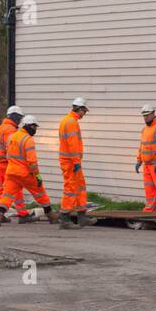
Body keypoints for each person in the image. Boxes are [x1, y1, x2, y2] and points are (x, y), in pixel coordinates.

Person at [0, 115, 52, 226]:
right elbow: (32, 163)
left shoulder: (12, 137)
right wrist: (38, 177)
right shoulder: (28, 140)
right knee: (40, 193)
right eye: (34, 127)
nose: (35, 130)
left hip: (11, 172)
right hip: (25, 174)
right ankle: (51, 215)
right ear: (29, 126)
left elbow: (8, 155)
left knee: (7, 195)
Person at [0, 105, 30, 222]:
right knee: (14, 189)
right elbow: (12, 149)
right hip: (6, 164)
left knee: (4, 190)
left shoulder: (0, 128)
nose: (20, 121)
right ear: (15, 117)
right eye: (19, 118)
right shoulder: (10, 130)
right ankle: (22, 215)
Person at [59, 97, 91, 227]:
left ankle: (82, 215)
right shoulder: (71, 122)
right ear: (80, 109)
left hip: (71, 160)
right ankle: (65, 218)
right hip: (71, 162)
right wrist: (76, 162)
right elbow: (73, 145)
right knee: (71, 188)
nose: (85, 114)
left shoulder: (67, 120)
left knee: (79, 186)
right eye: (85, 111)